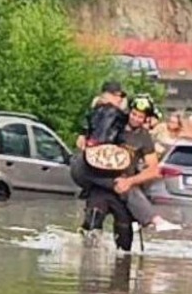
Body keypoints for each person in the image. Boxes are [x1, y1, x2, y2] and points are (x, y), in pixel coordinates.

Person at [70, 85, 181, 247]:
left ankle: (123, 264)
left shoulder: (144, 138)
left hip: (123, 189)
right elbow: (96, 119)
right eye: (134, 114)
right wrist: (83, 135)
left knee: (124, 234)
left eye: (140, 117)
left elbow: (154, 170)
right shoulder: (113, 122)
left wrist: (131, 181)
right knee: (93, 220)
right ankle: (86, 259)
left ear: (146, 119)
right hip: (100, 184)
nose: (135, 118)